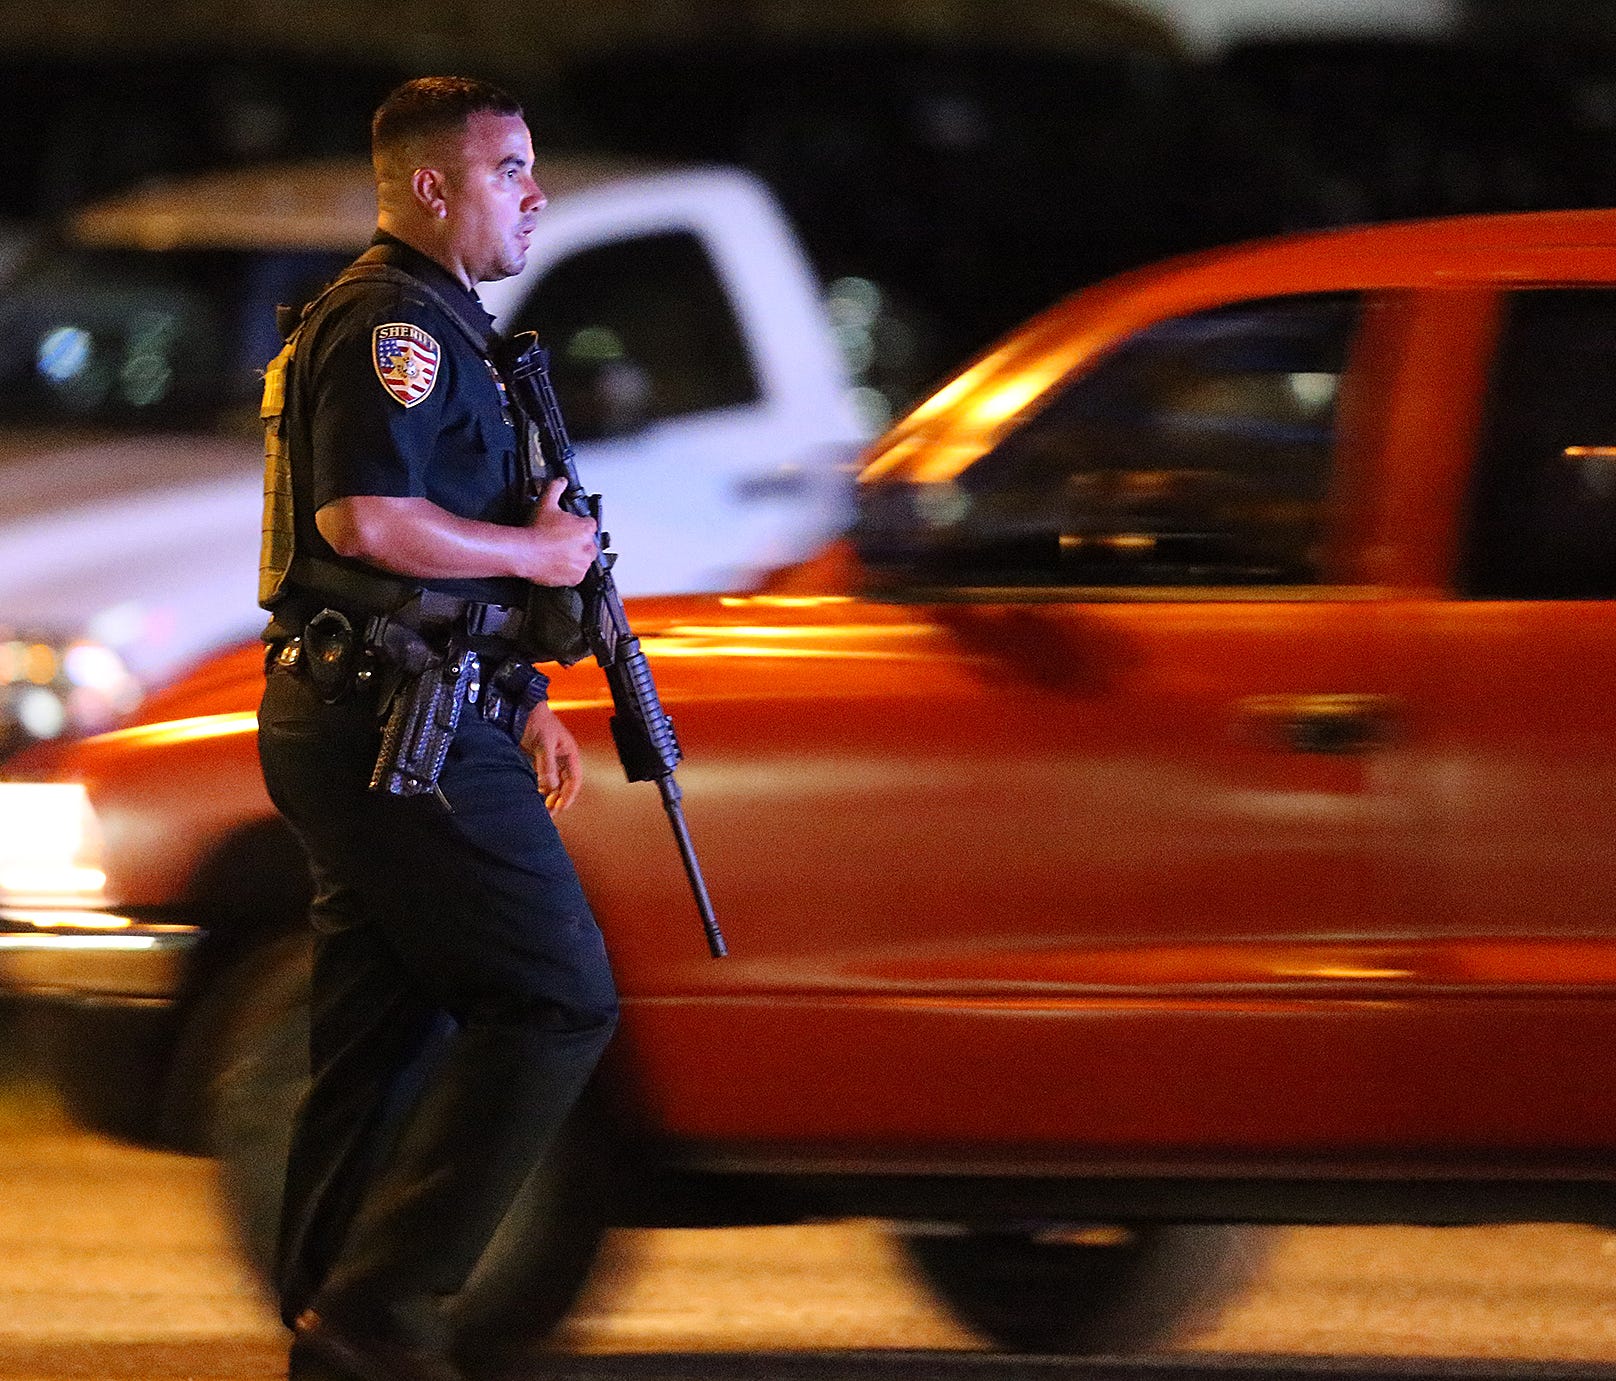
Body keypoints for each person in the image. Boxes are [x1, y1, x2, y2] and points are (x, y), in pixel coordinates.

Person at [255, 76, 619, 1381]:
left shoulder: (450, 333)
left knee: (380, 1041)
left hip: (397, 708)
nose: (535, 191)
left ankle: (328, 1329)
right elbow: (366, 521)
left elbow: (429, 568)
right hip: (384, 722)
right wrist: (536, 548)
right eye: (510, 166)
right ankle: (381, 1313)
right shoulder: (392, 330)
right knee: (556, 997)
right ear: (431, 185)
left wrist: (524, 700)